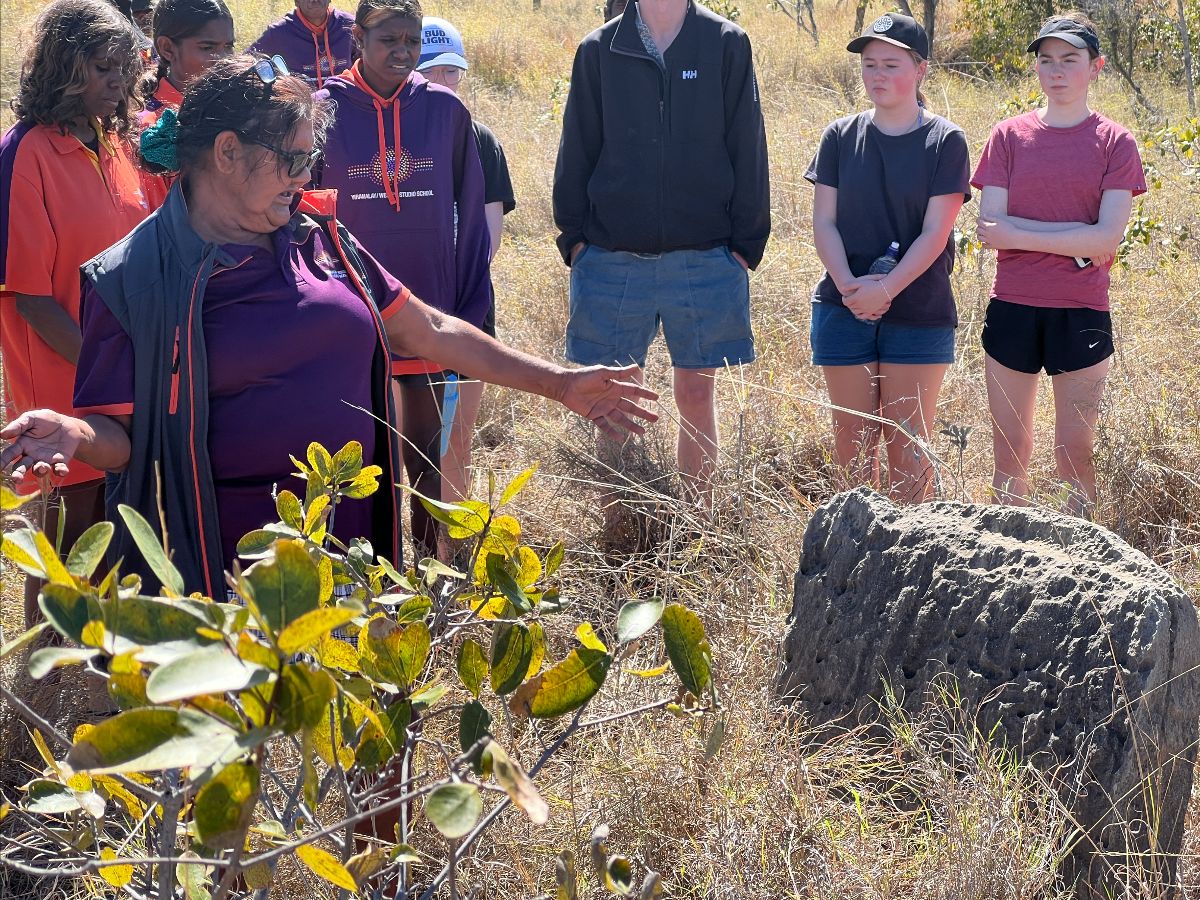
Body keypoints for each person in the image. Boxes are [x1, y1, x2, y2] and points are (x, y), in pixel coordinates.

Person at [0, 55, 657, 600]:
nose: (306, 175)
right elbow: (126, 440)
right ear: (227, 153)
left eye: (310, 158)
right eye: (290, 159)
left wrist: (560, 384)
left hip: (353, 552)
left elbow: (427, 331)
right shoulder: (133, 279)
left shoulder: (322, 240)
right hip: (224, 577)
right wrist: (75, 432)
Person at [552, 0, 770, 510]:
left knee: (696, 393)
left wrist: (743, 245)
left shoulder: (725, 43)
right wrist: (577, 240)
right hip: (610, 256)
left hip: (706, 253)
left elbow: (748, 143)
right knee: (613, 399)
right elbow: (577, 145)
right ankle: (620, 527)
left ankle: (700, 527)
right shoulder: (598, 49)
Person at [311, 0, 492, 562]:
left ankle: (432, 579)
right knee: (366, 456)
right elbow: (305, 210)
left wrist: (471, 303)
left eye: (411, 41)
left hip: (427, 307)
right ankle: (372, 579)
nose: (403, 52)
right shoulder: (324, 108)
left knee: (429, 457)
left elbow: (469, 214)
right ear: (357, 39)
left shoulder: (443, 110)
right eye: (388, 39)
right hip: (352, 310)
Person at [0, 0, 150, 626]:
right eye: (101, 65)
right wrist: (106, 364)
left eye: (124, 64)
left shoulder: (118, 142)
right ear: (64, 66)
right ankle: (44, 688)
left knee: (117, 535)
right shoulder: (25, 153)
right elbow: (31, 296)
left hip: (125, 372)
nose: (118, 79)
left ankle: (96, 684)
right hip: (65, 376)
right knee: (66, 540)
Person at [973, 11, 1144, 517]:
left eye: (1070, 59)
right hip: (1013, 306)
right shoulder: (1007, 136)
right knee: (1010, 454)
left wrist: (1021, 234)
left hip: (1081, 308)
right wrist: (1075, 242)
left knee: (1075, 453)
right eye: (1047, 60)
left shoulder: (1116, 142)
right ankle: (1009, 555)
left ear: (1096, 67)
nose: (1056, 71)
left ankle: (1081, 563)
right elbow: (988, 230)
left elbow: (1108, 236)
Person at [805, 13, 970, 502]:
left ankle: (909, 565)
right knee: (851, 451)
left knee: (909, 449)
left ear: (920, 69)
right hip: (844, 306)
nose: (877, 75)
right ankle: (852, 569)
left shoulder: (945, 140)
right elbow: (824, 223)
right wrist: (851, 287)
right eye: (869, 64)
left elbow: (935, 232)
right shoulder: (839, 136)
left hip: (918, 311)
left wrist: (885, 289)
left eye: (891, 64)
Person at [416, 15, 517, 510]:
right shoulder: (389, 137)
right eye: (430, 71)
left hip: (465, 310)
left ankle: (447, 557)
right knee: (395, 446)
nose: (443, 82)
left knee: (456, 443)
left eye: (452, 71)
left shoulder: (481, 140)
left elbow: (487, 239)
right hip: (398, 314)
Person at [138, 0, 236, 207]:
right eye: (208, 47)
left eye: (228, 46)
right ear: (167, 49)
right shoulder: (152, 127)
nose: (223, 60)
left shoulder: (234, 107)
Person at [249, 0, 355, 90]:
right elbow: (247, 62)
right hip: (301, 108)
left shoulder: (349, 26)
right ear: (296, 1)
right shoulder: (279, 33)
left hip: (345, 104)